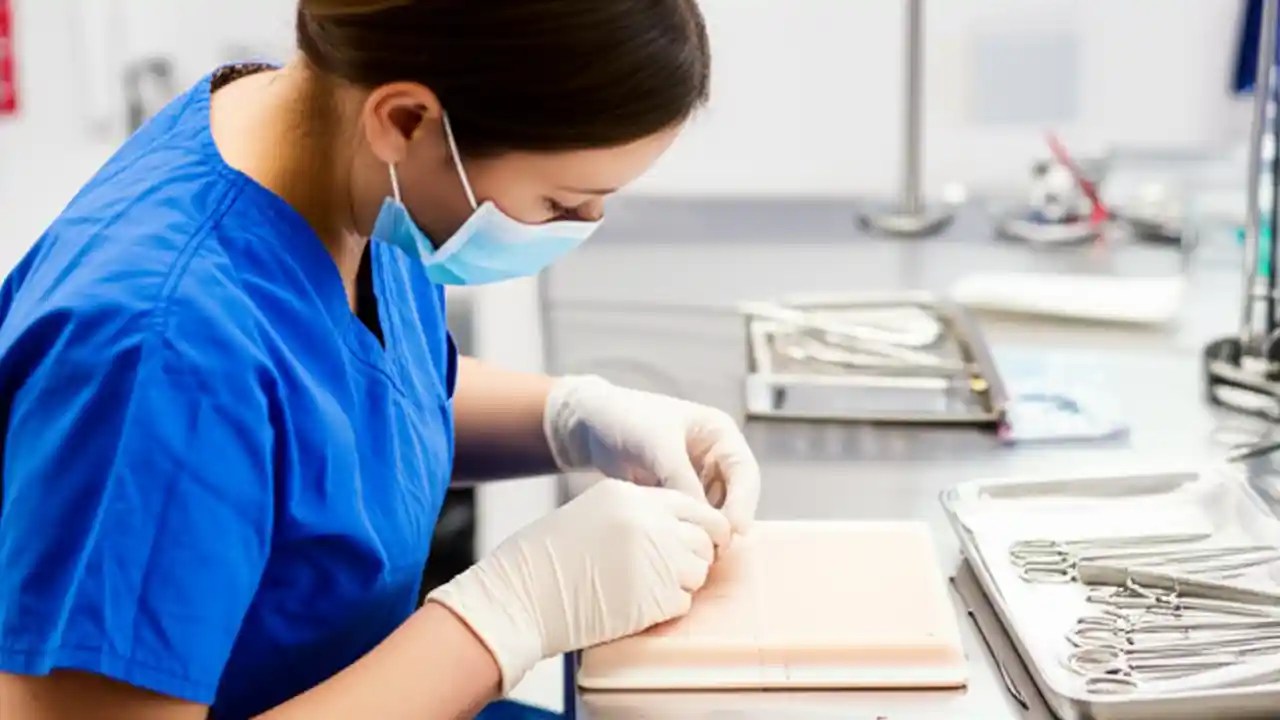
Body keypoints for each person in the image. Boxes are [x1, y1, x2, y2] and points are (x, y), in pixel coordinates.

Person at [0, 1, 762, 718]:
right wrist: (507, 617)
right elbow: (229, 405)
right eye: (562, 204)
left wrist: (572, 417)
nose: (583, 226)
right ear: (404, 119)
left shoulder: (326, 159)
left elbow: (328, 414)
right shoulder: (161, 353)